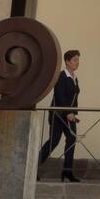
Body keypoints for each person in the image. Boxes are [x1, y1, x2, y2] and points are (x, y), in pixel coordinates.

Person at [39, 49, 80, 181]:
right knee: (54, 141)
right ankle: (33, 168)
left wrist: (74, 113)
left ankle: (67, 171)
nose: (77, 62)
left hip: (69, 115)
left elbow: (74, 99)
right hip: (58, 114)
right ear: (67, 61)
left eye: (78, 60)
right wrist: (67, 112)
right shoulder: (61, 76)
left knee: (72, 140)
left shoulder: (74, 78)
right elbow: (59, 96)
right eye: (74, 60)